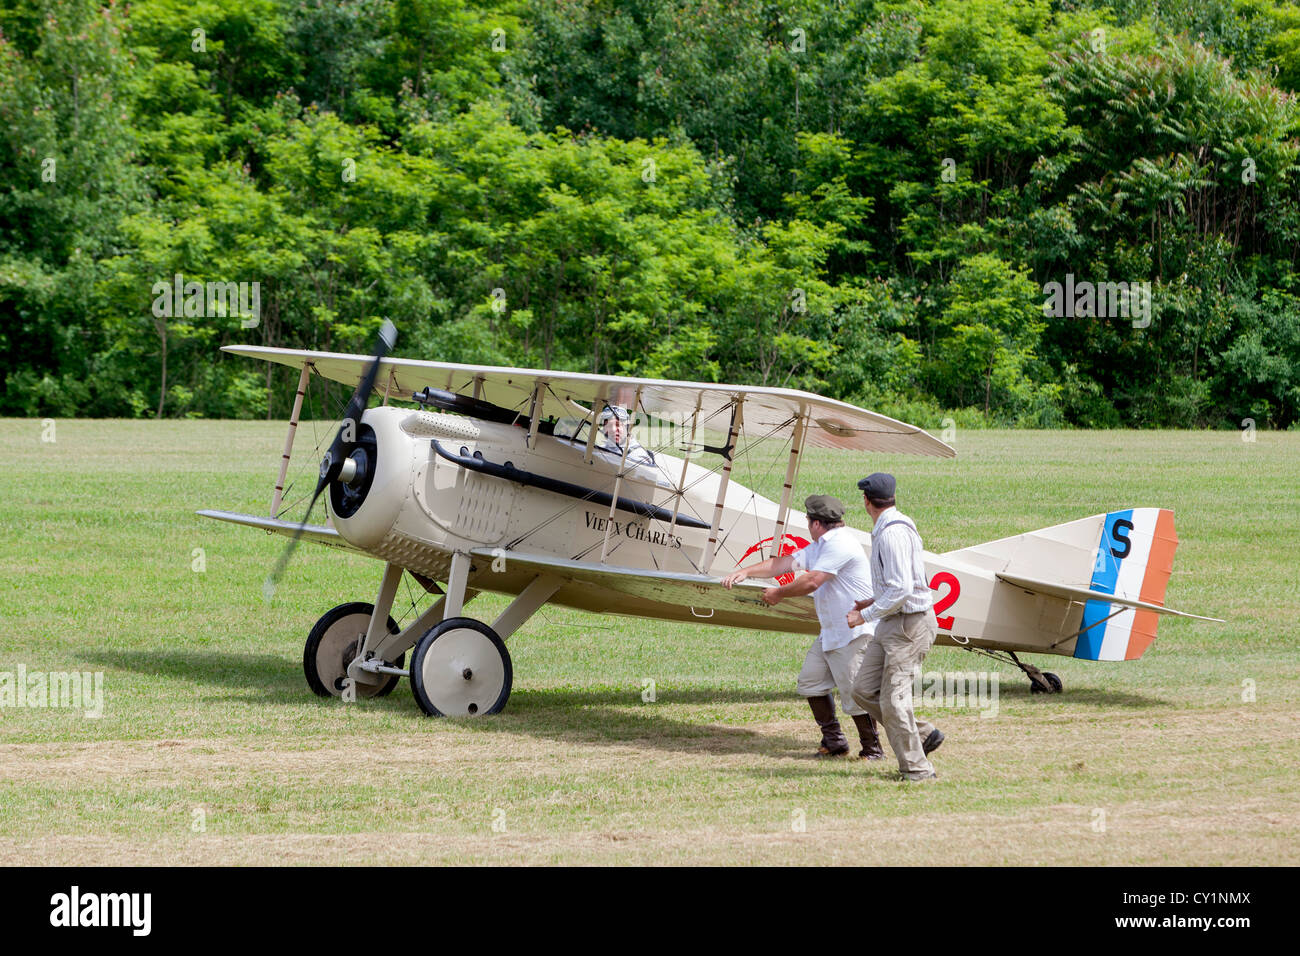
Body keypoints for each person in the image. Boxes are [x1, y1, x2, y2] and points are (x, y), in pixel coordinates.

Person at [721, 495, 884, 760]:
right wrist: (746, 572)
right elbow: (784, 563)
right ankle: (835, 741)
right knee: (811, 682)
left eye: (808, 520)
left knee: (854, 694)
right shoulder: (821, 545)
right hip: (831, 631)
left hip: (852, 633)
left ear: (817, 523)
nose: (807, 524)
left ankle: (873, 749)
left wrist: (778, 594)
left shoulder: (840, 545)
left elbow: (811, 581)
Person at [847, 473, 945, 782]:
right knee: (862, 689)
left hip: (909, 625)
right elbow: (900, 584)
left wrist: (865, 615)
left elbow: (902, 588)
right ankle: (922, 735)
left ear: (866, 501)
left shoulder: (890, 534)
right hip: (894, 621)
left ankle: (917, 769)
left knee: (893, 701)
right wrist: (872, 602)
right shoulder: (893, 526)